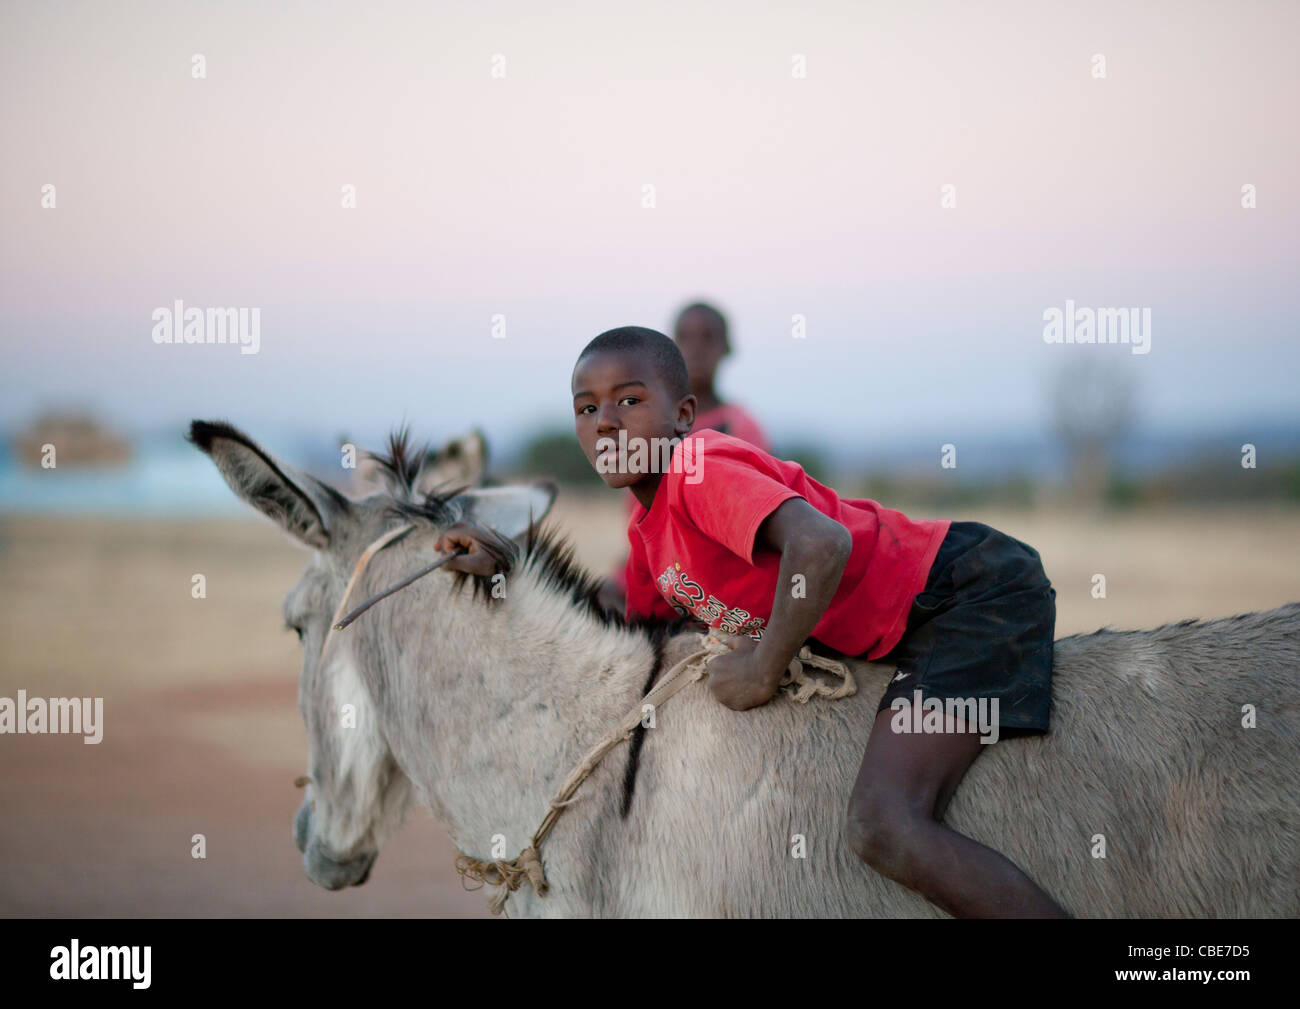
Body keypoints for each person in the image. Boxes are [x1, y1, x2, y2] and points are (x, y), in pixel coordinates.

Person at [434, 325, 1068, 918]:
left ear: (683, 415)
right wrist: (503, 568)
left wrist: (765, 667)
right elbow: (613, 623)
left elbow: (821, 545)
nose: (605, 423)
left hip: (963, 593)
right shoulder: (650, 534)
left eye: (628, 401)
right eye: (586, 408)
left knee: (884, 826)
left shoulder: (696, 471)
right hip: (916, 616)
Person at [598, 302, 771, 614]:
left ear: (726, 348)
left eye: (708, 338)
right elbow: (641, 526)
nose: (696, 349)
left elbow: (754, 526)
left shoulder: (741, 429)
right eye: (686, 337)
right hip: (652, 570)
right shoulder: (645, 424)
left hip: (713, 583)